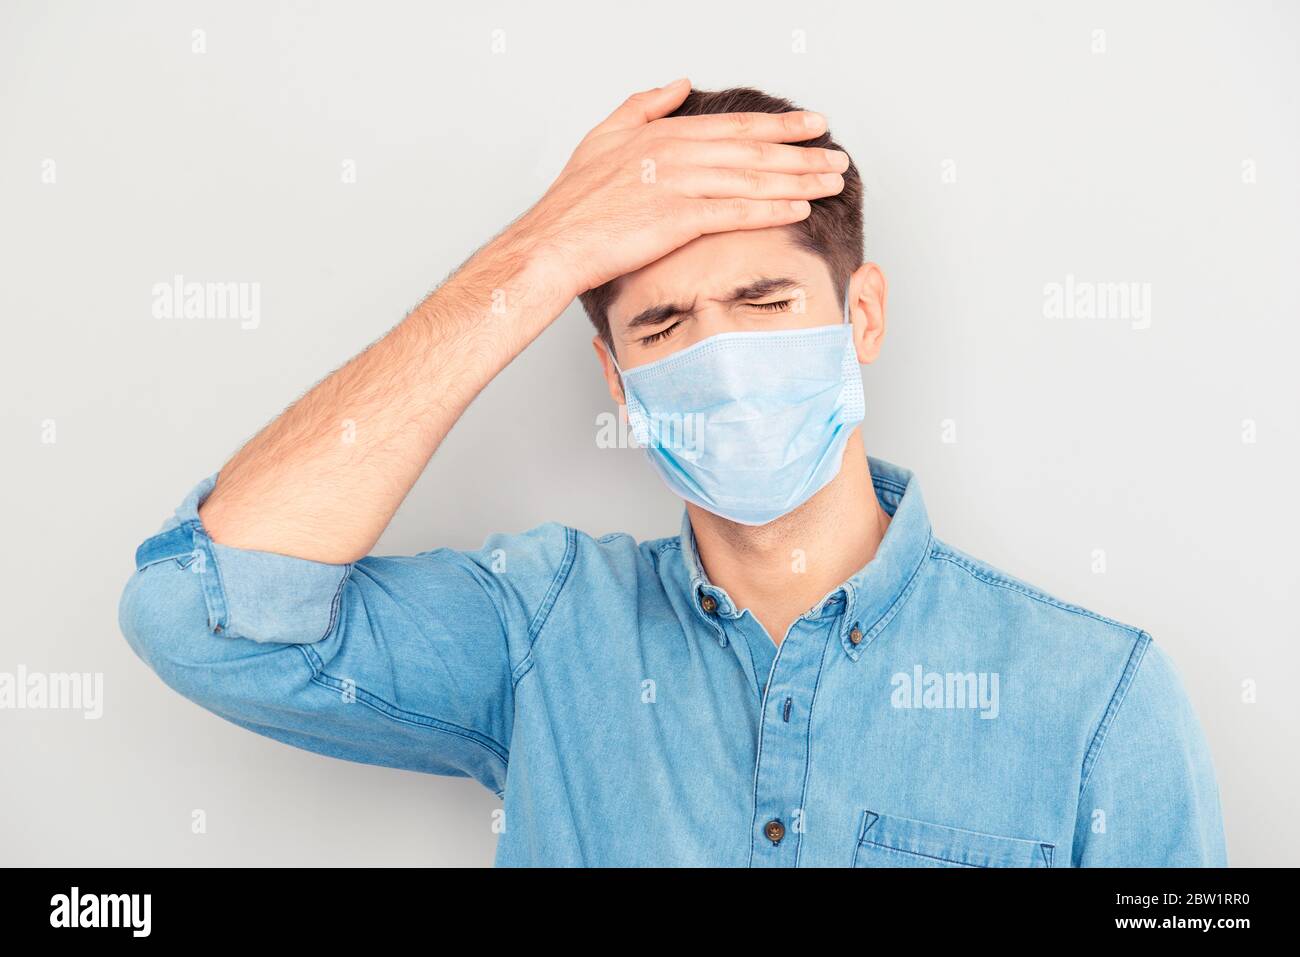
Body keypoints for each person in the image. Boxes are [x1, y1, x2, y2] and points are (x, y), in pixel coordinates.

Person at [119, 79, 1227, 867]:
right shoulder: (541, 632)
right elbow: (200, 610)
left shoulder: (1097, 699)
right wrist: (540, 252)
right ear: (617, 378)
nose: (723, 358)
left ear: (863, 314)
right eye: (663, 324)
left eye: (763, 303)